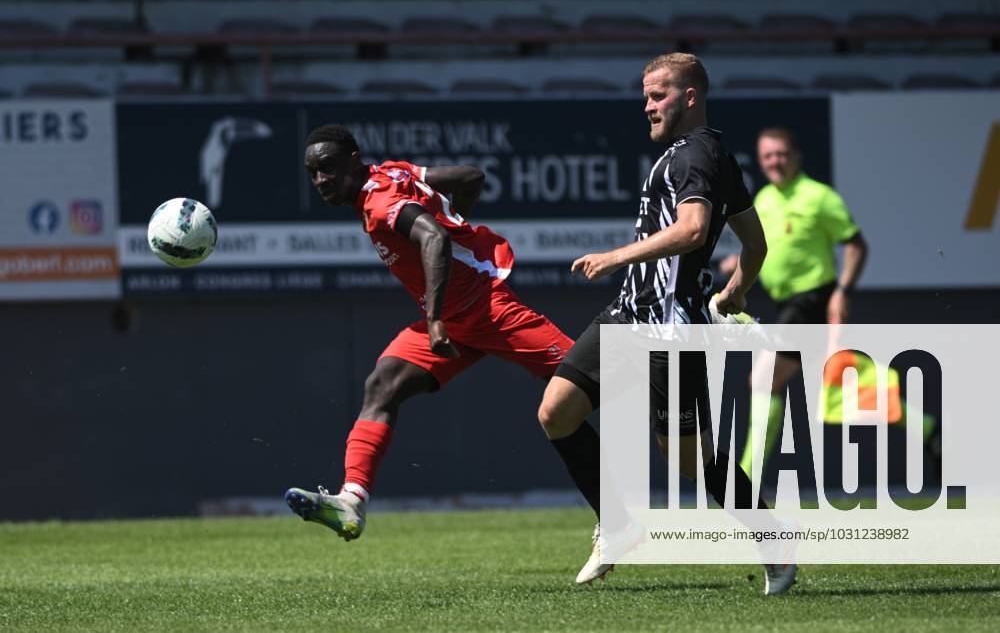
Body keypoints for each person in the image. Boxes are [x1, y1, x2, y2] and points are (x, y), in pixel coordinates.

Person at [536, 52, 796, 595]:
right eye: (646, 97)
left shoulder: (695, 154)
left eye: (658, 96)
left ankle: (774, 539)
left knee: (686, 458)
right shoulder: (712, 153)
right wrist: (737, 288)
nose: (648, 106)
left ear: (690, 96)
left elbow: (694, 229)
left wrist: (615, 256)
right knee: (557, 412)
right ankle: (618, 525)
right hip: (629, 314)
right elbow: (755, 244)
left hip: (671, 328)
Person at [285, 124, 574, 541]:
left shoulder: (380, 200)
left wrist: (435, 317)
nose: (320, 180)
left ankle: (673, 396)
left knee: (594, 377)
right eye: (313, 172)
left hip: (485, 310)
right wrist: (458, 219)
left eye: (328, 168)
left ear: (353, 161)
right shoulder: (393, 172)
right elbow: (470, 177)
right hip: (452, 320)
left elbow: (434, 237)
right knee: (382, 384)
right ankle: (351, 500)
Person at [725, 127, 869, 478]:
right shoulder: (764, 199)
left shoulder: (818, 196)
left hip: (814, 300)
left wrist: (842, 291)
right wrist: (735, 265)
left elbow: (856, 245)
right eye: (767, 156)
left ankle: (747, 477)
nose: (775, 162)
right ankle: (928, 431)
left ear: (796, 157)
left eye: (781, 154)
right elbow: (767, 251)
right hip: (788, 303)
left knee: (764, 378)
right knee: (846, 382)